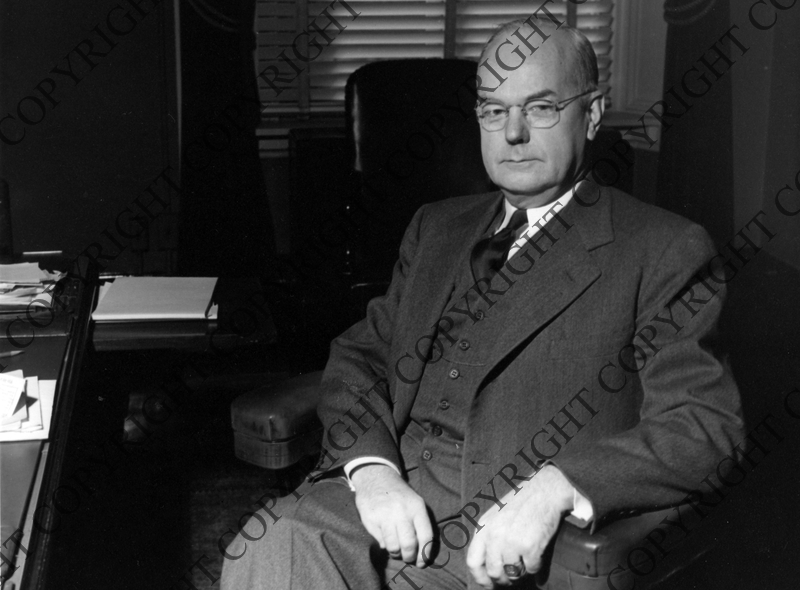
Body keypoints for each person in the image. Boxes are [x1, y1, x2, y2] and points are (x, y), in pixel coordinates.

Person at [221, 15, 743, 590]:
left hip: (493, 549)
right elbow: (359, 357)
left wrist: (559, 485)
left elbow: (705, 427)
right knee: (270, 542)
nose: (512, 132)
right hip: (373, 510)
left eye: (540, 107)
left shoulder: (663, 248)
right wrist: (373, 472)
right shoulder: (436, 228)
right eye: (494, 110)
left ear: (591, 115)